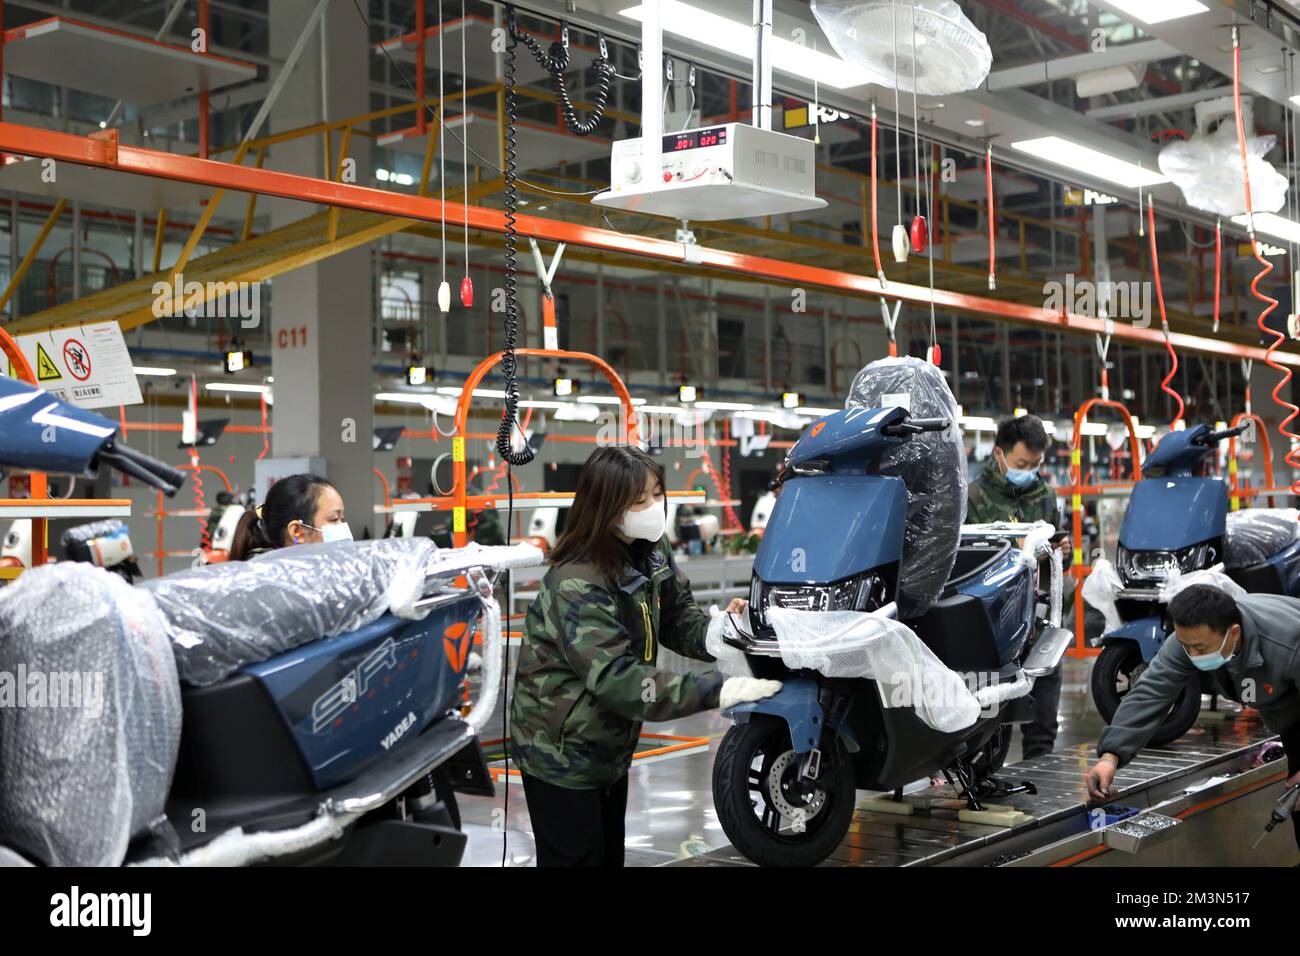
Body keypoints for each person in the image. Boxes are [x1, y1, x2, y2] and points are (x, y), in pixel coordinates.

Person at [510, 445, 781, 867]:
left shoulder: (651, 550)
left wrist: (722, 632)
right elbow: (620, 680)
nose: (654, 507)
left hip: (607, 748)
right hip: (559, 752)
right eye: (639, 500)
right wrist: (719, 689)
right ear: (607, 508)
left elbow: (678, 618)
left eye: (657, 494)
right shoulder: (577, 582)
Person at [1086, 585, 1300, 851]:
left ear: (1233, 633)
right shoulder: (1192, 638)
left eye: (1200, 648)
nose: (1192, 656)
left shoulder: (1288, 641)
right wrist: (1111, 756)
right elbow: (1152, 690)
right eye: (1187, 647)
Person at [967, 413, 1065, 761]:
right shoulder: (974, 498)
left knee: (1043, 721)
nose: (1031, 470)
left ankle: (1043, 787)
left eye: (1036, 463)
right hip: (991, 632)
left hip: (1038, 625)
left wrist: (1057, 552)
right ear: (999, 455)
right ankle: (985, 778)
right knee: (989, 726)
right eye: (1023, 463)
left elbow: (1056, 553)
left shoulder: (1046, 496)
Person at [228, 473, 351, 560]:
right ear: (297, 531)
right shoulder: (266, 578)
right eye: (334, 519)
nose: (343, 527)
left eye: (342, 519)